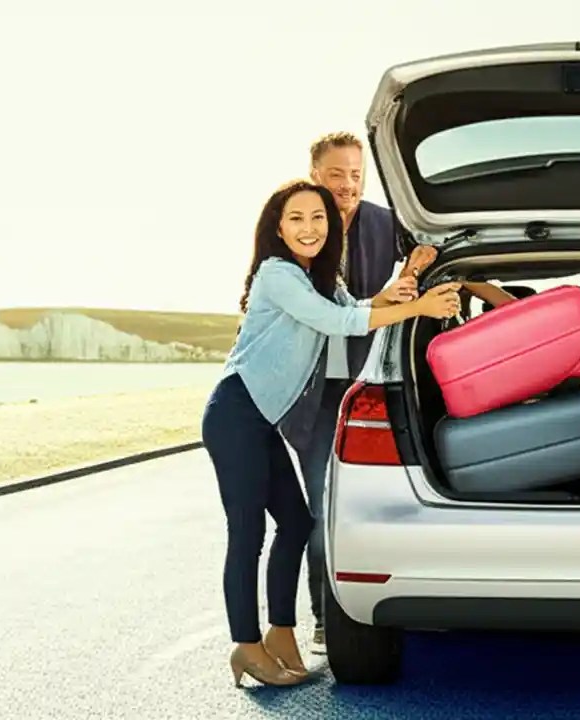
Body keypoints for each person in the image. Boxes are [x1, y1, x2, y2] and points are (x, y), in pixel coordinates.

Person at [202, 179, 461, 688]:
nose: (310, 228)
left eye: (318, 217)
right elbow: (338, 321)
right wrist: (418, 309)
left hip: (259, 421)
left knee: (298, 523)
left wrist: (408, 280)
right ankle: (245, 645)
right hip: (234, 415)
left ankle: (280, 633)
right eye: (296, 218)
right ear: (278, 228)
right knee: (247, 534)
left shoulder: (319, 276)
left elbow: (361, 306)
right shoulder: (277, 273)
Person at [295, 132, 514, 654]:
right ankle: (326, 616)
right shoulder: (299, 230)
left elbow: (445, 260)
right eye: (335, 174)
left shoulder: (381, 222)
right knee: (321, 507)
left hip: (367, 374)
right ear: (314, 175)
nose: (347, 185)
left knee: (359, 505)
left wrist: (506, 303)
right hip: (313, 390)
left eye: (355, 174)